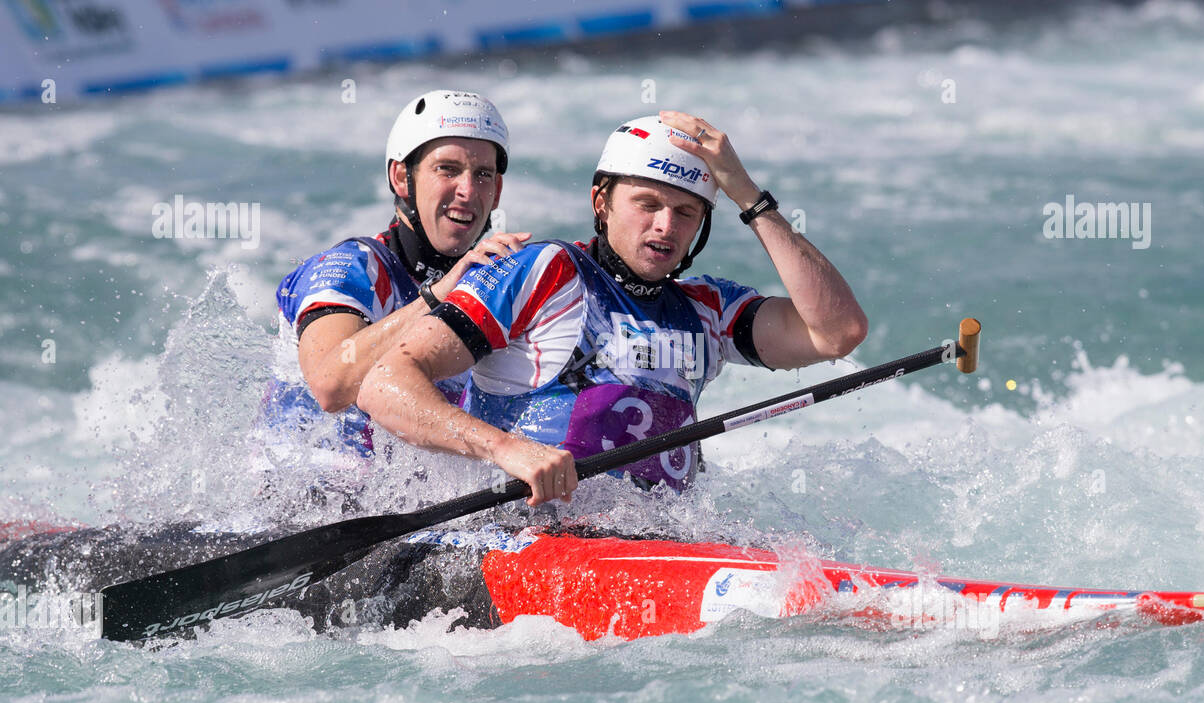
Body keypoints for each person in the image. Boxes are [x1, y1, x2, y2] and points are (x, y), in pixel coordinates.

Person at [357, 110, 868, 505]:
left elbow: (837, 332)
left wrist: (748, 196)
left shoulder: (708, 309)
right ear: (601, 203)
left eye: (686, 212)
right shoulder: (545, 270)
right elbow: (385, 384)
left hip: (655, 544)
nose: (666, 225)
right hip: (522, 540)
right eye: (647, 204)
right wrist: (506, 449)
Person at [260, 90, 530, 461]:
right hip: (293, 504)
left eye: (483, 174)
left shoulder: (492, 286)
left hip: (395, 508)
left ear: (497, 191)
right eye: (447, 169)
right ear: (401, 177)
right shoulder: (351, 267)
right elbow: (329, 386)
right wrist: (438, 295)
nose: (468, 191)